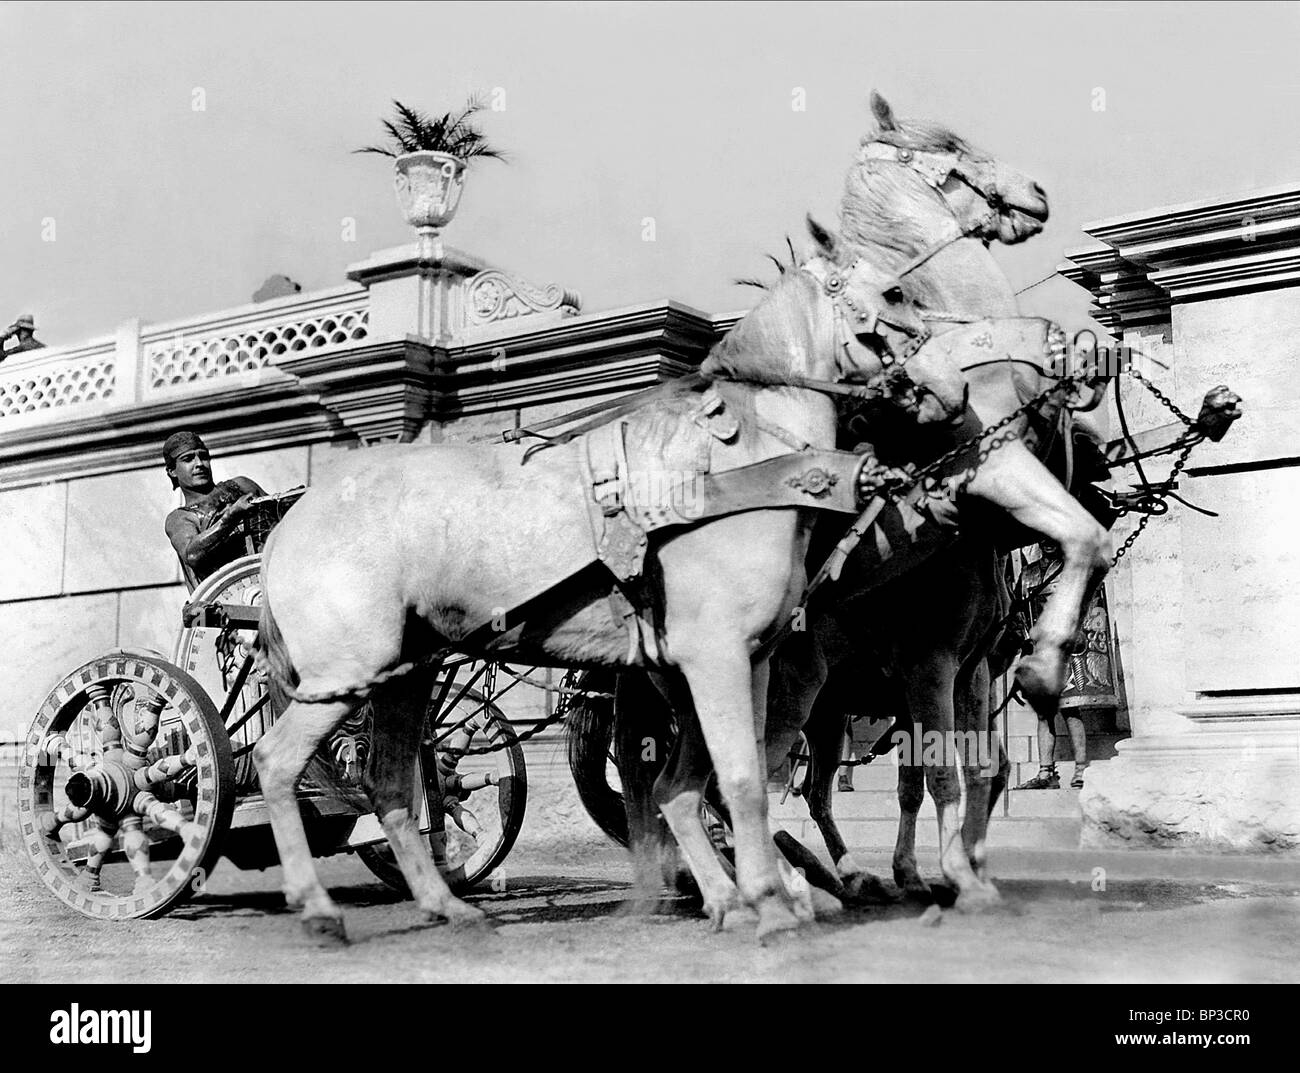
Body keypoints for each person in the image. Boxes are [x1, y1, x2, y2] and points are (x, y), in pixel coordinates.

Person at [162, 430, 265, 591]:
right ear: (172, 471)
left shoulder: (242, 485)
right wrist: (231, 517)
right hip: (235, 597)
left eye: (203, 456)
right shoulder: (180, 518)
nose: (199, 464)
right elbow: (192, 555)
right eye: (188, 459)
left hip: (274, 576)